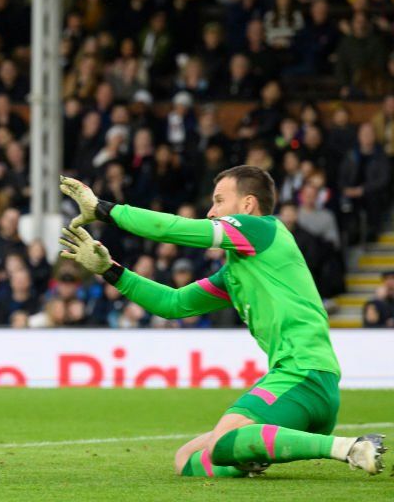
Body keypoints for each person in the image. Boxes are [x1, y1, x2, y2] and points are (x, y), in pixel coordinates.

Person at [59, 167, 386, 477]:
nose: (211, 213)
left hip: (302, 375)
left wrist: (104, 209)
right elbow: (173, 304)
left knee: (221, 442)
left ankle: (349, 448)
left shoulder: (261, 230)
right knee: (186, 459)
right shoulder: (234, 273)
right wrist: (110, 271)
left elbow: (171, 229)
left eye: (218, 201)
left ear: (247, 204)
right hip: (302, 386)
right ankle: (251, 455)